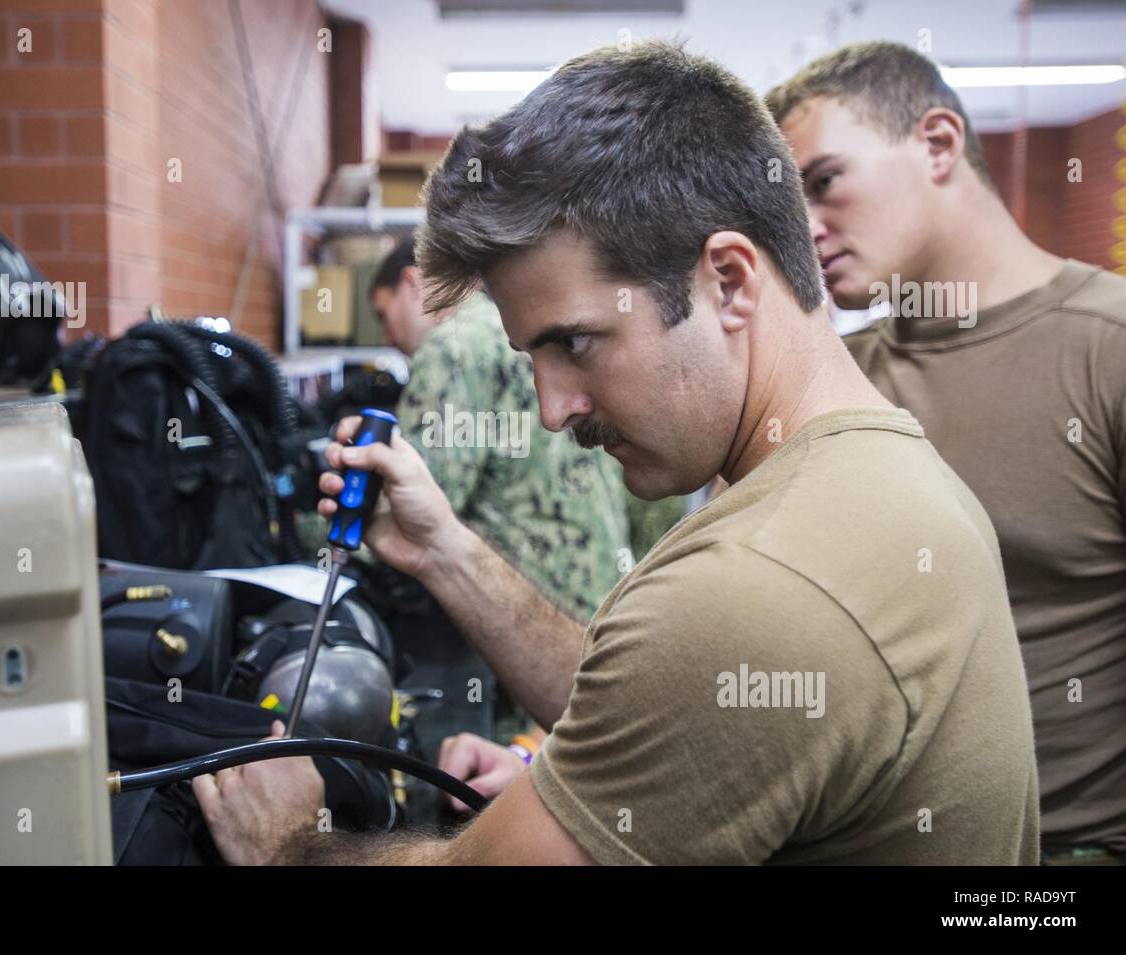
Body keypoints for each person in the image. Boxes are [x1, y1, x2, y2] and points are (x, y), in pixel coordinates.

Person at [191, 40, 1038, 865]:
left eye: (577, 343)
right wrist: (443, 549)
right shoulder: (879, 472)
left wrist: (289, 845)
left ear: (730, 282)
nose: (554, 409)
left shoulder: (758, 584)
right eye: (533, 357)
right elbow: (666, 697)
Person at [767, 41, 1126, 864]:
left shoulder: (1107, 349)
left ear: (937, 144)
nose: (807, 230)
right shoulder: (841, 380)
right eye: (788, 208)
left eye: (823, 183)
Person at [370, 233, 631, 625]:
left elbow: (420, 506)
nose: (387, 338)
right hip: (601, 596)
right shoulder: (513, 329)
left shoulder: (454, 346)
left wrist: (311, 529)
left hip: (533, 609)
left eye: (383, 315)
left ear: (412, 284)